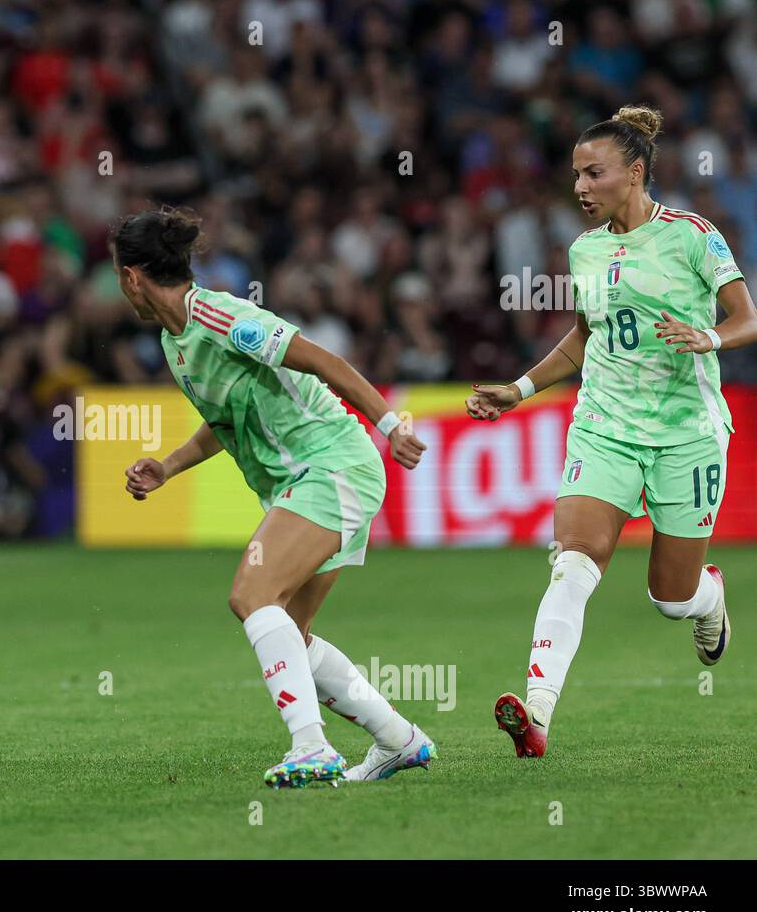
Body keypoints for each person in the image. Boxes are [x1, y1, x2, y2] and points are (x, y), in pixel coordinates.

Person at [466, 106, 757, 758]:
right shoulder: (585, 249)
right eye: (575, 175)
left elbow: (748, 317)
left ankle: (708, 597)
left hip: (686, 432)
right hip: (604, 426)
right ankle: (536, 710)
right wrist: (519, 389)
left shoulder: (692, 236)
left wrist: (709, 336)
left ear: (634, 172)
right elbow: (583, 336)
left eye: (593, 174)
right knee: (573, 561)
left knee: (670, 597)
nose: (579, 187)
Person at [112, 205, 436, 788]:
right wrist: (169, 466)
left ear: (132, 276)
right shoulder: (172, 339)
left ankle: (310, 746)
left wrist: (391, 426)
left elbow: (325, 361)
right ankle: (399, 740)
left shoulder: (221, 316)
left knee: (251, 594)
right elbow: (223, 419)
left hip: (332, 465)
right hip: (304, 480)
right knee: (291, 630)